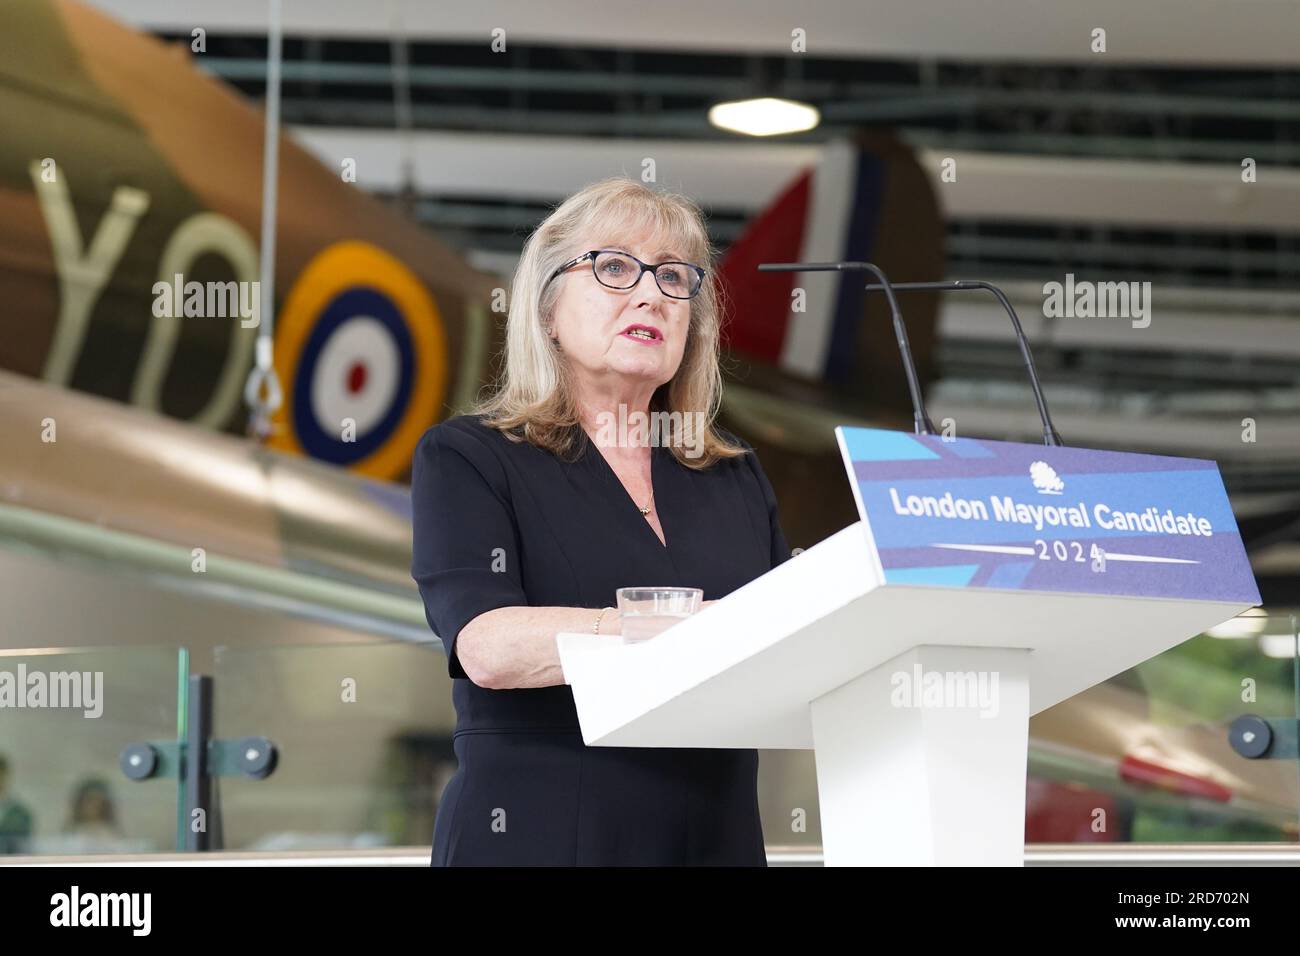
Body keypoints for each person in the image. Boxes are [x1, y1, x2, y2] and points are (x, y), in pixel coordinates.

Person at [411, 177, 791, 866]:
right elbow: (489, 650)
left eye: (675, 278)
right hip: (540, 838)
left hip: (717, 841)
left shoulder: (734, 478)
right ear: (548, 310)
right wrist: (677, 625)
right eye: (614, 268)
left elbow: (795, 647)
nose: (651, 294)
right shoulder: (472, 458)